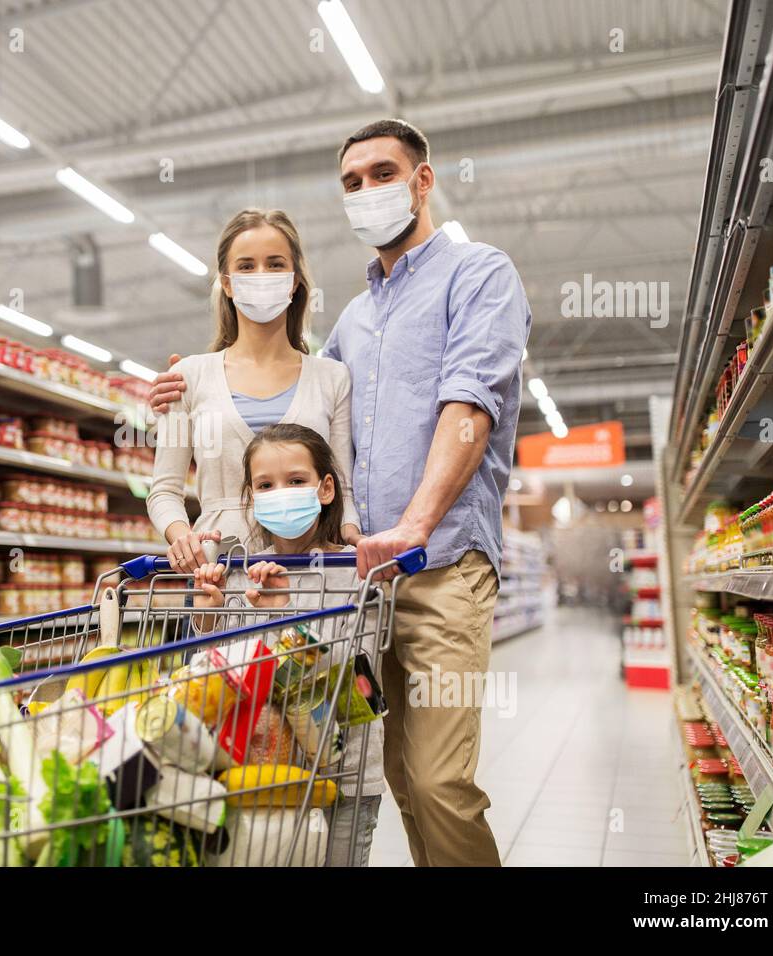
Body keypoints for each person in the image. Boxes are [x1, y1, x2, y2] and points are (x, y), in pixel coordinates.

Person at [148, 119, 531, 867]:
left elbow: (470, 408)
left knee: (439, 780)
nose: (366, 192)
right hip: (343, 588)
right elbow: (299, 433)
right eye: (350, 182)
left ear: (423, 180)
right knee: (391, 778)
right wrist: (182, 386)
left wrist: (409, 529)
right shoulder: (353, 326)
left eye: (382, 174)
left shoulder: (478, 273)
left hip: (439, 566)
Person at [190, 423, 384, 867]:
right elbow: (222, 671)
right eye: (266, 485)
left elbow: (344, 677)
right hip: (258, 772)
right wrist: (208, 609)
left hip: (345, 771)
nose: (281, 492)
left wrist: (284, 611)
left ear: (326, 488)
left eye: (296, 481)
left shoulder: (358, 572)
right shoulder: (240, 570)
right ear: (251, 497)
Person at [146, 208, 360, 573]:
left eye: (275, 264)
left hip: (312, 576)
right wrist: (182, 536)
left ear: (294, 281)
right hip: (218, 572)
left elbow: (342, 487)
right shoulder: (188, 377)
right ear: (227, 283)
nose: (261, 275)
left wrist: (355, 541)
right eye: (246, 266)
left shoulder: (332, 377)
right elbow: (164, 490)